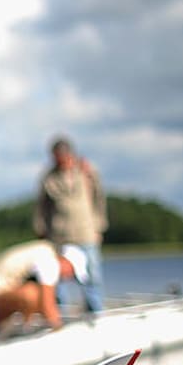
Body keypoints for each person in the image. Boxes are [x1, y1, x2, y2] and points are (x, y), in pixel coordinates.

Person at [34, 134, 107, 313]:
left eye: (63, 156)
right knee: (56, 280)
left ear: (70, 154)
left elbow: (99, 199)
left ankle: (96, 314)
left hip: (86, 232)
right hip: (58, 235)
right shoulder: (48, 177)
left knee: (92, 277)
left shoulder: (87, 171)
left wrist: (100, 226)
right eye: (56, 157)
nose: (60, 160)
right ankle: (61, 317)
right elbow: (40, 206)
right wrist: (40, 229)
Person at [0, 240, 89, 342]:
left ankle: (19, 331)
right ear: (66, 261)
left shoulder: (44, 251)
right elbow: (47, 304)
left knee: (38, 295)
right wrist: (61, 332)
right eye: (72, 272)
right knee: (33, 294)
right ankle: (1, 332)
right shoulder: (49, 262)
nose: (68, 277)